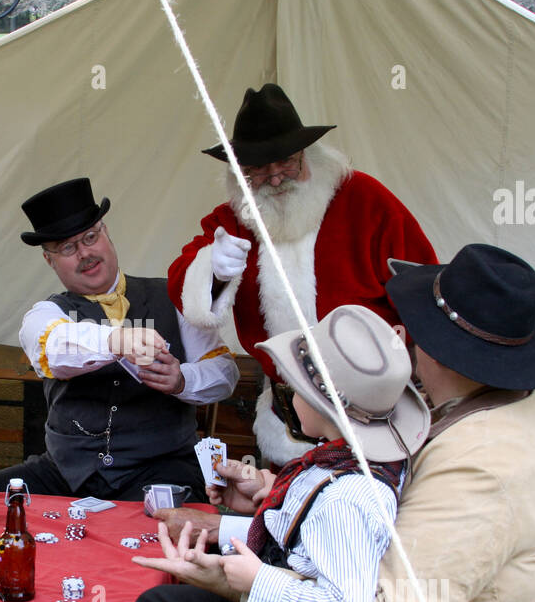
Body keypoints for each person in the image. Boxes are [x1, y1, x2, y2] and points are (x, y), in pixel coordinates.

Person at [139, 243, 535, 602]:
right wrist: (264, 508)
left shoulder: (485, 464)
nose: (404, 337)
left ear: (438, 349)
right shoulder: (472, 409)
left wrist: (244, 581)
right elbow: (373, 507)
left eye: (412, 326)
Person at [123, 304, 430, 602]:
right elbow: (303, 527)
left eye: (293, 388)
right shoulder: (339, 457)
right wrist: (249, 514)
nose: (286, 395)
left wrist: (253, 579)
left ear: (322, 403)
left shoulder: (348, 495)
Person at [167, 83, 438, 465]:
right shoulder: (234, 220)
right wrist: (212, 267)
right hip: (286, 423)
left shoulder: (365, 201)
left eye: (287, 163)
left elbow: (425, 288)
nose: (276, 179)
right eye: (258, 170)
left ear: (309, 155)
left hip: (375, 419)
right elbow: (182, 281)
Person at [0, 178, 239, 501]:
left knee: (172, 529)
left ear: (106, 233)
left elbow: (224, 372)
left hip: (160, 468)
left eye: (90, 237)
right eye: (67, 247)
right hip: (67, 473)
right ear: (49, 260)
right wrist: (117, 341)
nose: (85, 253)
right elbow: (56, 349)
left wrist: (182, 380)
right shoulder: (46, 315)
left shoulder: (173, 296)